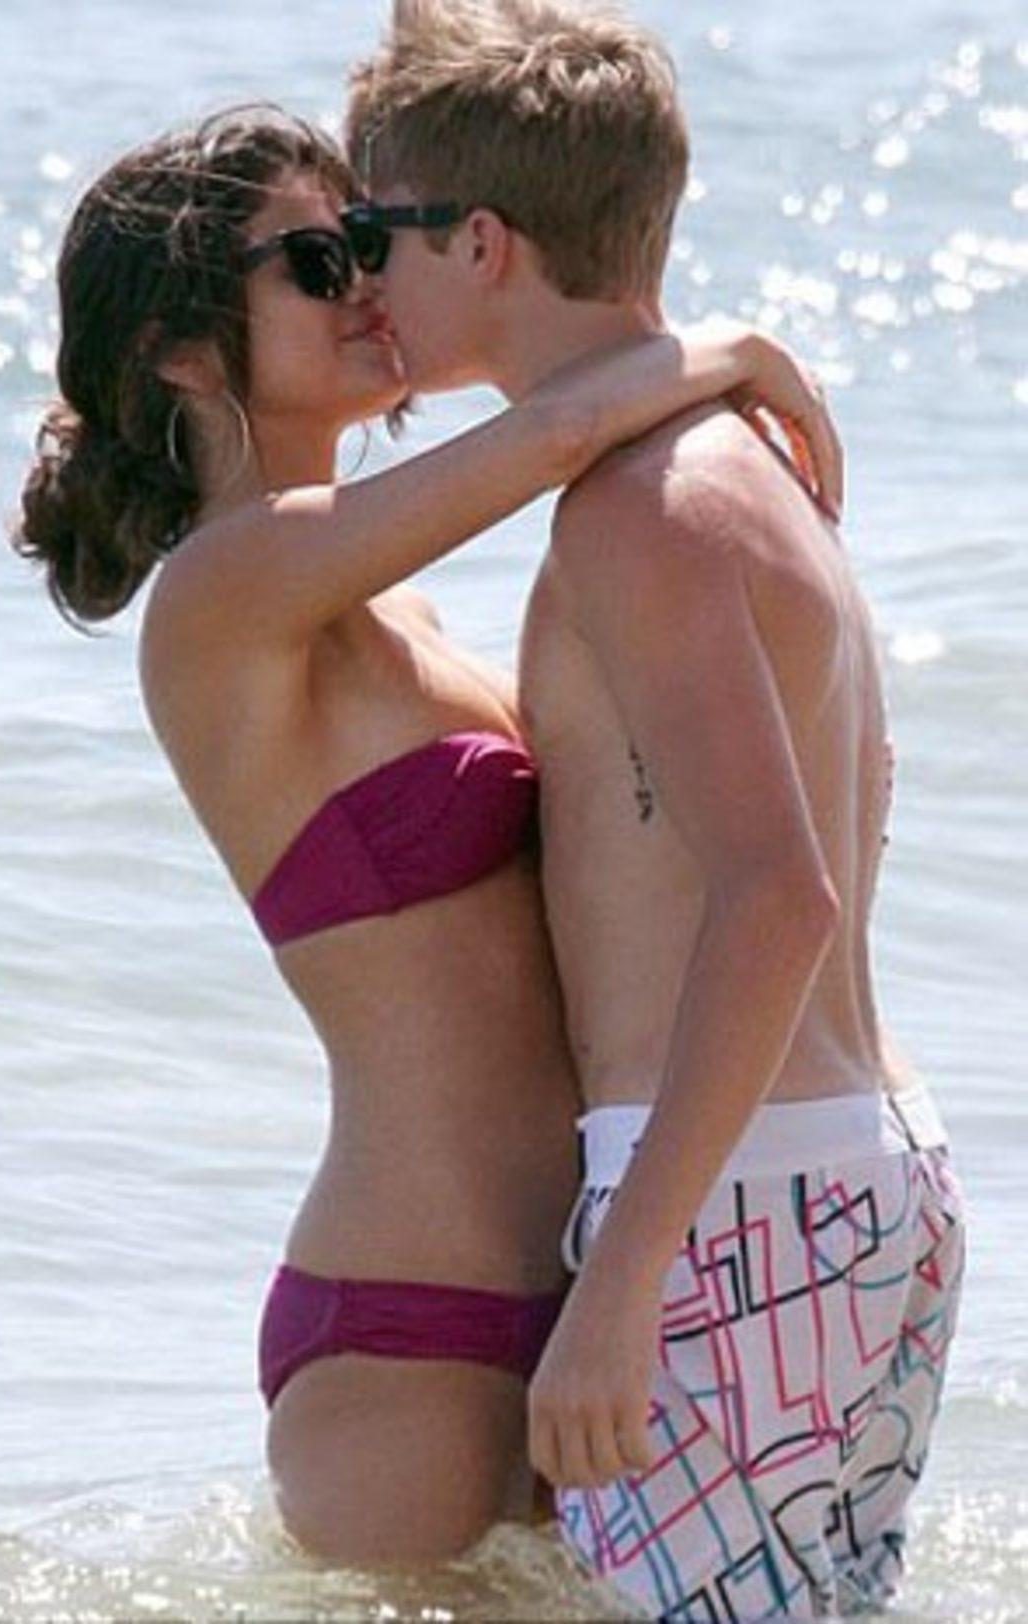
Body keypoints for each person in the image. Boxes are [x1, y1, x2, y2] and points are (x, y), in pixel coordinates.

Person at [12, 103, 840, 1569]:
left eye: (363, 242)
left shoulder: (402, 606)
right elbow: (559, 429)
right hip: (405, 1332)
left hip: (590, 1293)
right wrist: (736, 350)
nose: (367, 284)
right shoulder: (217, 600)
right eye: (314, 261)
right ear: (179, 350)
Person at [346, 0, 966, 1615]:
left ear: (480, 242)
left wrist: (625, 1279)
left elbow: (780, 893)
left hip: (734, 1206)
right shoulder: (739, 466)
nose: (361, 285)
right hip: (851, 1175)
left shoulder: (641, 512)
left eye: (373, 236)